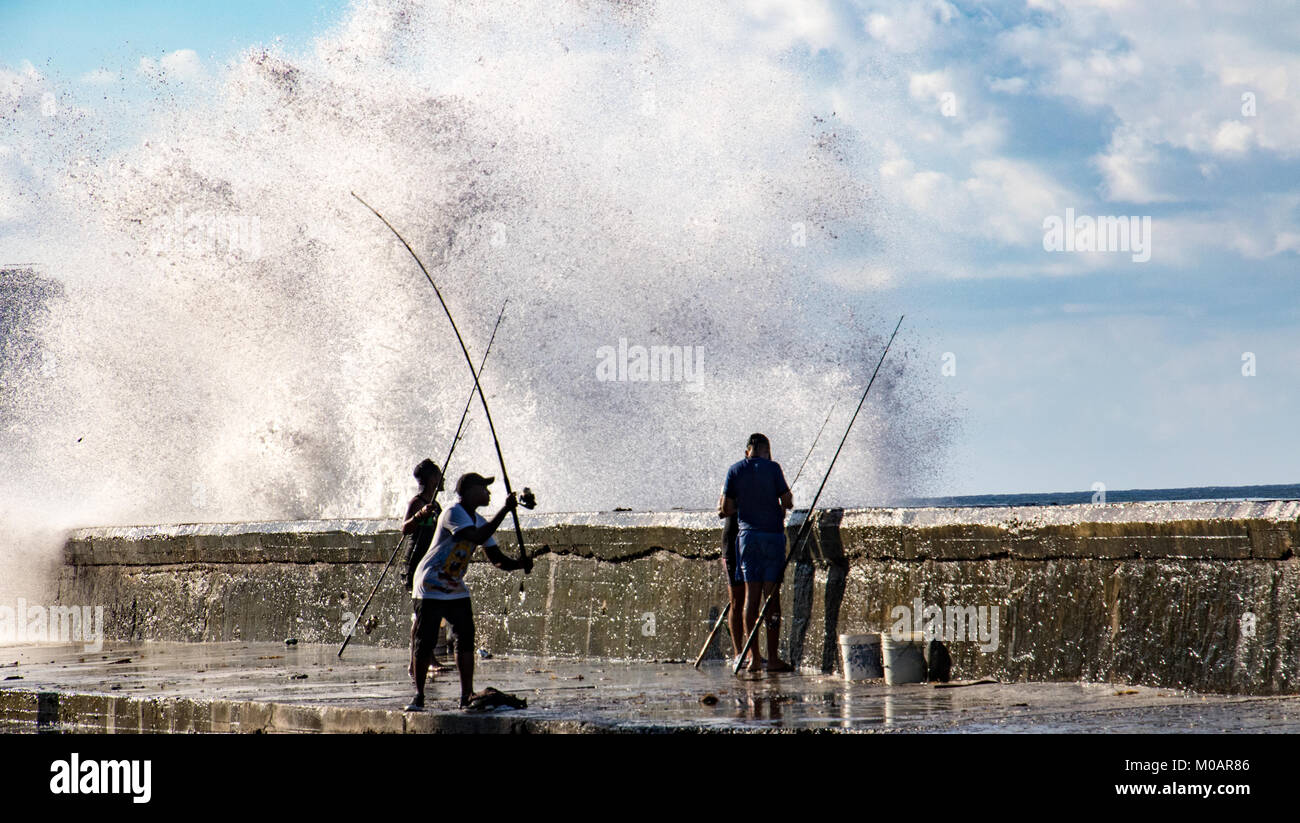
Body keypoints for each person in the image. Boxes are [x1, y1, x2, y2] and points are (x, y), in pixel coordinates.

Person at [406, 472, 531, 711]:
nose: (489, 493)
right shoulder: (453, 512)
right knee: (425, 641)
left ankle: (466, 695)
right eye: (484, 488)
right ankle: (419, 695)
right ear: (471, 491)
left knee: (465, 639)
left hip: (454, 588)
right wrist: (504, 511)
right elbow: (472, 536)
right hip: (430, 584)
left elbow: (498, 561)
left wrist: (521, 563)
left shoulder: (480, 521)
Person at [717, 433, 794, 673]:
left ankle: (754, 659)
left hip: (747, 538)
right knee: (771, 599)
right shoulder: (773, 468)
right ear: (765, 449)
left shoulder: (735, 470)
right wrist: (778, 507)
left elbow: (726, 508)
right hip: (772, 538)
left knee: (750, 598)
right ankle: (772, 659)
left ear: (748, 449)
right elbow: (788, 501)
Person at [401, 459, 448, 674]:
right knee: (421, 616)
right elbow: (405, 528)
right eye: (439, 475)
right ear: (431, 479)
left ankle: (426, 658)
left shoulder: (436, 506)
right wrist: (420, 515)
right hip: (415, 565)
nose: (443, 478)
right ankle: (416, 662)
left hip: (430, 565)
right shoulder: (418, 502)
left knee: (429, 615)